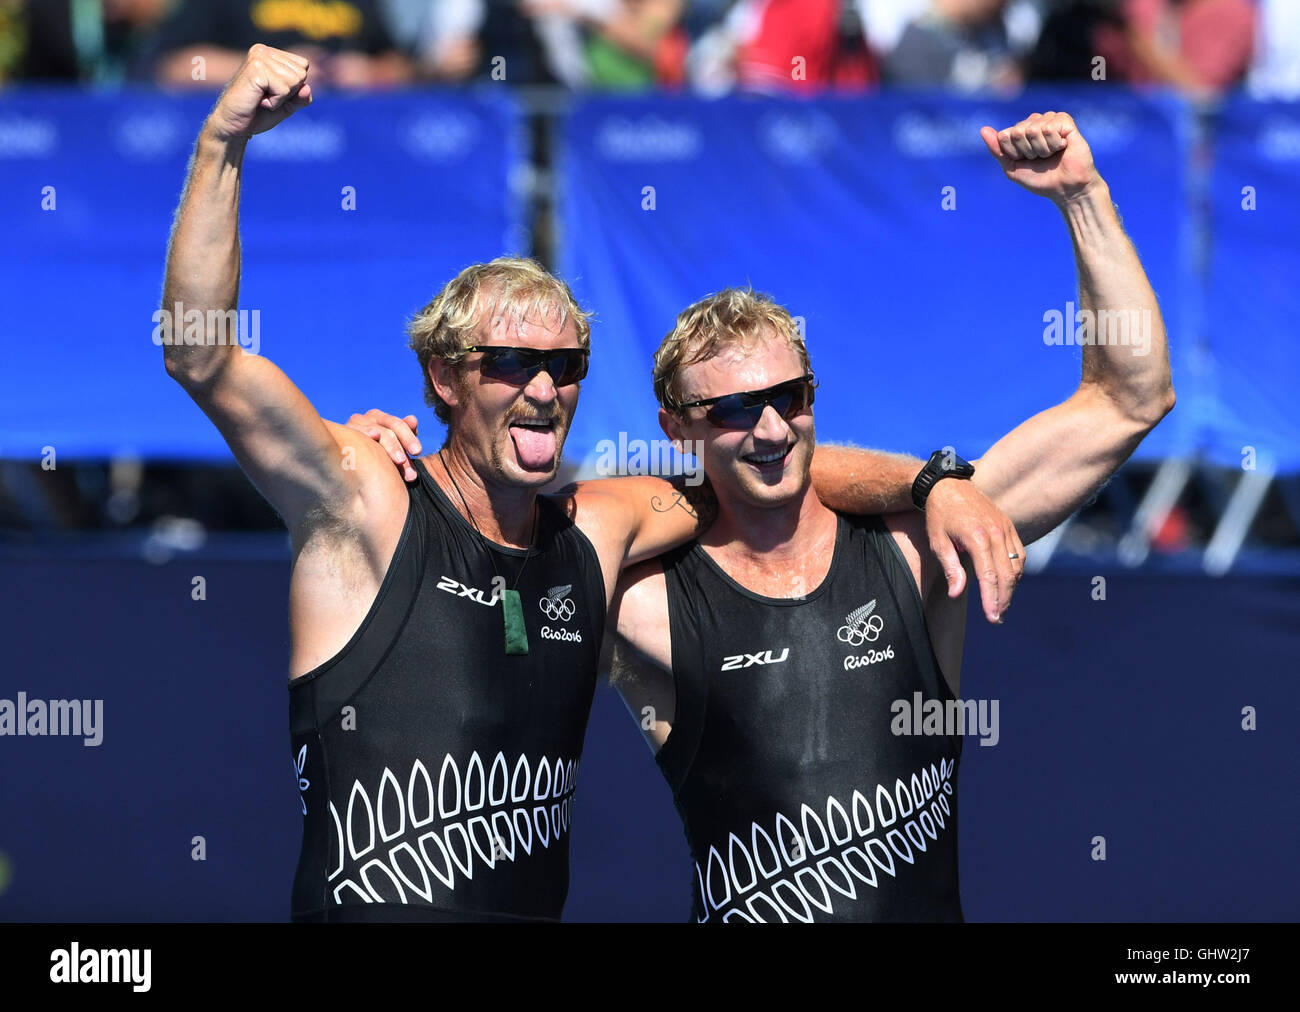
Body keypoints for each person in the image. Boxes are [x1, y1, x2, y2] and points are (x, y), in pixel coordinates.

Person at [160, 44, 1022, 922]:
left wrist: (932, 483)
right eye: (510, 363)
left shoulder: (597, 528)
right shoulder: (369, 501)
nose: (543, 389)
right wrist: (222, 142)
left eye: (565, 365)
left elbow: (765, 466)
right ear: (442, 380)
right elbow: (200, 354)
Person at [602, 111, 1175, 922]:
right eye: (733, 410)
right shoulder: (643, 602)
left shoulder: (918, 545)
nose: (769, 430)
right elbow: (484, 566)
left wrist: (1083, 198)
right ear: (678, 428)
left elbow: (1129, 398)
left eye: (787, 400)